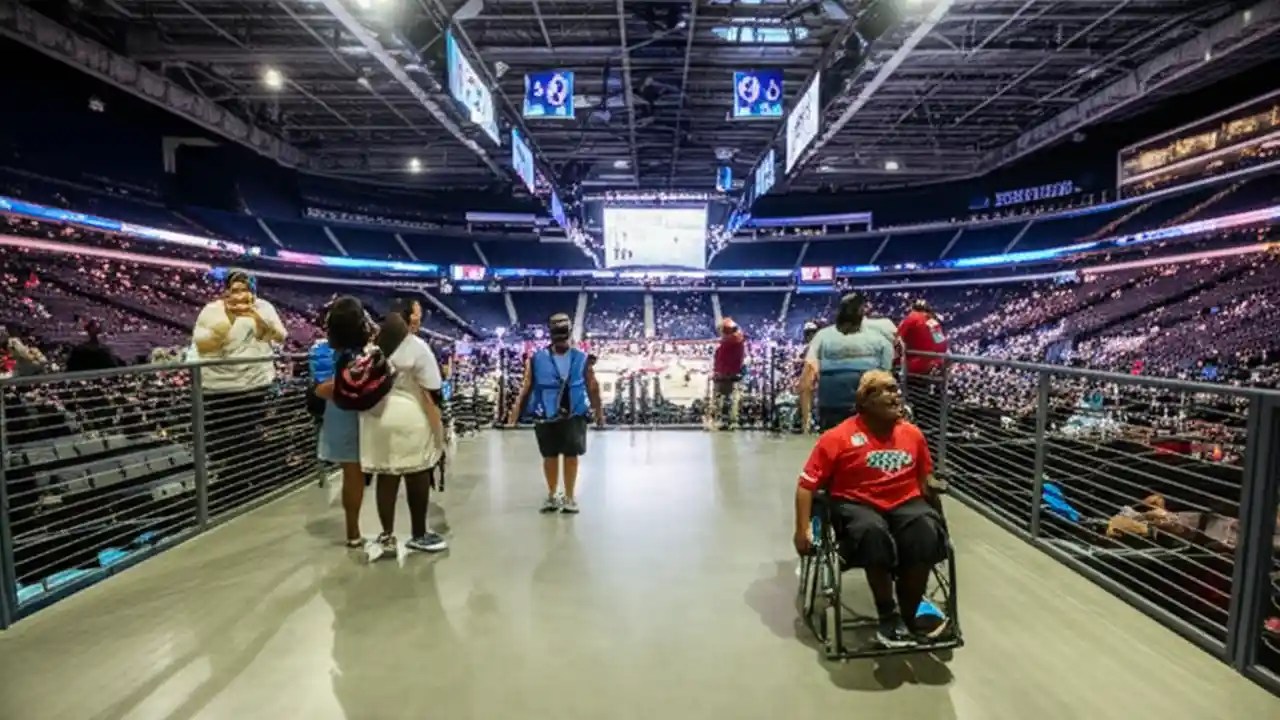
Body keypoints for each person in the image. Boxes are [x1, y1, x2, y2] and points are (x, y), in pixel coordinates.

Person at [793, 370, 948, 648]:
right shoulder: (837, 437)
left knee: (925, 529)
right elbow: (806, 485)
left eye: (895, 389)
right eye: (886, 390)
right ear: (865, 401)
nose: (896, 395)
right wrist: (802, 529)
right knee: (871, 532)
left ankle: (910, 615)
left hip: (904, 501)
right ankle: (888, 615)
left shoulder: (912, 434)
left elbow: (925, 478)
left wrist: (936, 501)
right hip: (856, 503)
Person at [190, 270, 288, 506]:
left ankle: (246, 492)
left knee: (247, 441)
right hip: (219, 391)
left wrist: (255, 316)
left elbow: (280, 336)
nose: (240, 295)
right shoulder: (211, 311)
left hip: (253, 388)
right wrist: (229, 321)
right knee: (227, 445)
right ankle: (231, 496)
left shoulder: (264, 308)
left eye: (245, 289)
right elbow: (203, 346)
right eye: (235, 290)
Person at [360, 299, 449, 557]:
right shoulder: (417, 347)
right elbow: (433, 389)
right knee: (417, 472)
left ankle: (387, 535)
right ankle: (419, 534)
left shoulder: (373, 347)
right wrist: (441, 427)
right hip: (410, 416)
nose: (419, 319)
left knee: (386, 474)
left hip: (377, 418)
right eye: (418, 314)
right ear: (408, 317)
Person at [507, 313, 603, 514]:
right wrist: (514, 416)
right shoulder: (540, 359)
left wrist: (513, 417)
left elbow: (592, 386)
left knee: (567, 455)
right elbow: (528, 386)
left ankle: (563, 496)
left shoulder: (577, 358)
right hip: (549, 412)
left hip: (570, 412)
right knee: (554, 455)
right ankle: (558, 496)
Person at [311, 297, 373, 553]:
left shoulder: (320, 352)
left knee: (352, 473)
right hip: (368, 412)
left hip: (338, 412)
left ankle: (353, 532)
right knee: (360, 472)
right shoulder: (370, 352)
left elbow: (320, 388)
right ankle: (361, 532)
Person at [799, 293, 893, 433]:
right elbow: (886, 379)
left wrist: (806, 422)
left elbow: (806, 382)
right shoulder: (881, 340)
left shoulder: (822, 336)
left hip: (831, 408)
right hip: (867, 408)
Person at [709, 317, 746, 430]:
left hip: (725, 374)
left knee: (722, 398)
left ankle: (723, 420)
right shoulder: (736, 340)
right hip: (729, 373)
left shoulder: (731, 341)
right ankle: (728, 419)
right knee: (728, 398)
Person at [898, 299, 948, 376]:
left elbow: (898, 340)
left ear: (913, 308)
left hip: (917, 366)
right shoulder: (933, 322)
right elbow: (941, 344)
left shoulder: (912, 318)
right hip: (938, 364)